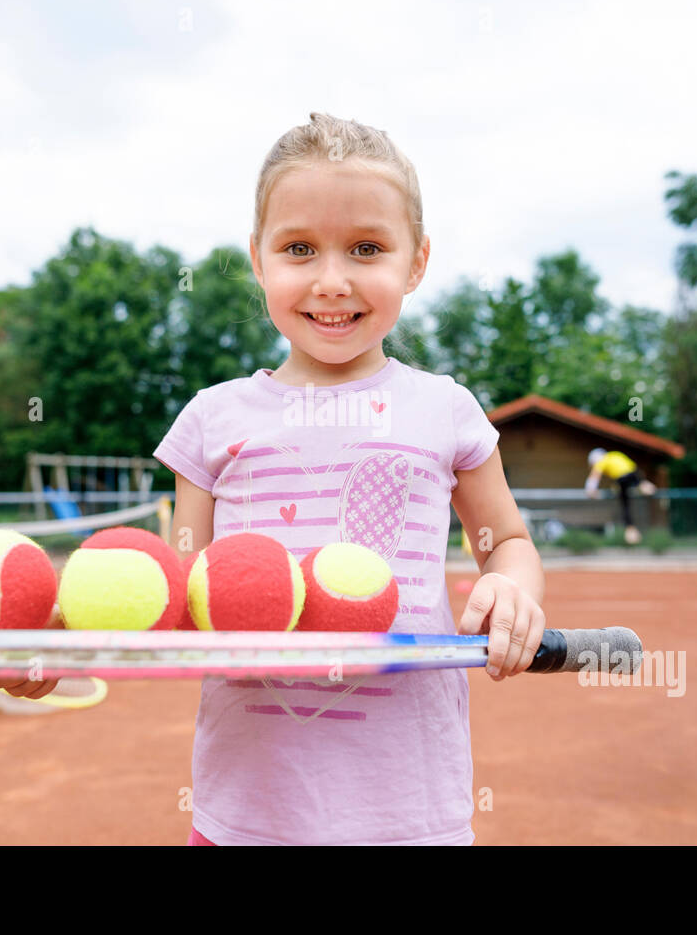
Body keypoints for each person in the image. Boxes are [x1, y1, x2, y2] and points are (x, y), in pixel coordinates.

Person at [154, 112, 546, 845]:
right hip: (245, 817)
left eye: (367, 248)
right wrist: (55, 644)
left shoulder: (446, 410)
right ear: (258, 259)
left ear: (416, 262)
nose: (331, 281)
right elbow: (179, 592)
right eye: (299, 248)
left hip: (408, 818)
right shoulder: (210, 420)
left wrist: (512, 589)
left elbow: (508, 542)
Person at [583, 447, 657, 545]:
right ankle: (644, 486)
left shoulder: (601, 461)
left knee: (625, 504)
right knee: (638, 483)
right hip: (634, 473)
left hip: (621, 478)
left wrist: (590, 490)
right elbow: (630, 466)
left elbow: (594, 477)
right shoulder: (614, 454)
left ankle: (630, 530)